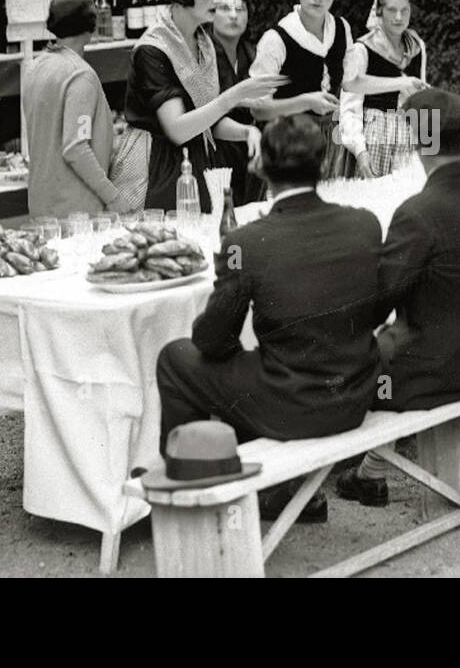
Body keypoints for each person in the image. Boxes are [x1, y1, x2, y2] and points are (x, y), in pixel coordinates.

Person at [155, 115, 383, 522]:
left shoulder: (247, 242)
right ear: (326, 163)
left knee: (177, 358)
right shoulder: (364, 224)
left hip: (293, 405)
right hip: (356, 395)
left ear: (259, 166)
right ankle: (277, 492)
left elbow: (209, 341)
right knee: (249, 367)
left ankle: (191, 490)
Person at [336, 88, 460, 507]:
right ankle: (370, 471)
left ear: (420, 142)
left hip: (428, 374)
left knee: (348, 365)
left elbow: (378, 303)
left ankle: (334, 477)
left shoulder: (418, 212)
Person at [113, 0, 279, 213]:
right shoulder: (152, 50)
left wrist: (247, 132)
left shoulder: (205, 43)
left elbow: (207, 121)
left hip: (194, 164)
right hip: (156, 169)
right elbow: (178, 130)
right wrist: (234, 96)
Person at [248, 0, 355, 176]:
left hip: (330, 145)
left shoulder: (342, 29)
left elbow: (351, 85)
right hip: (285, 147)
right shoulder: (276, 39)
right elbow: (258, 109)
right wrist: (305, 102)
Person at [20, 0, 120, 217]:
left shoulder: (36, 66)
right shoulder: (81, 76)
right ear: (90, 26)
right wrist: (112, 196)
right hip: (77, 212)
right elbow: (76, 147)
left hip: (42, 206)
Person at [337, 0, 429, 178]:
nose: (398, 17)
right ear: (379, 10)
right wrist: (360, 151)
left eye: (404, 10)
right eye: (391, 10)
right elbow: (349, 109)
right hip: (372, 142)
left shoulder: (416, 48)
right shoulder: (362, 50)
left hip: (406, 141)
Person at [209, 0, 266, 205]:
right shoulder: (200, 57)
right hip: (212, 158)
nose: (233, 16)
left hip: (251, 156)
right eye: (224, 9)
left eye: (240, 9)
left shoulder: (255, 54)